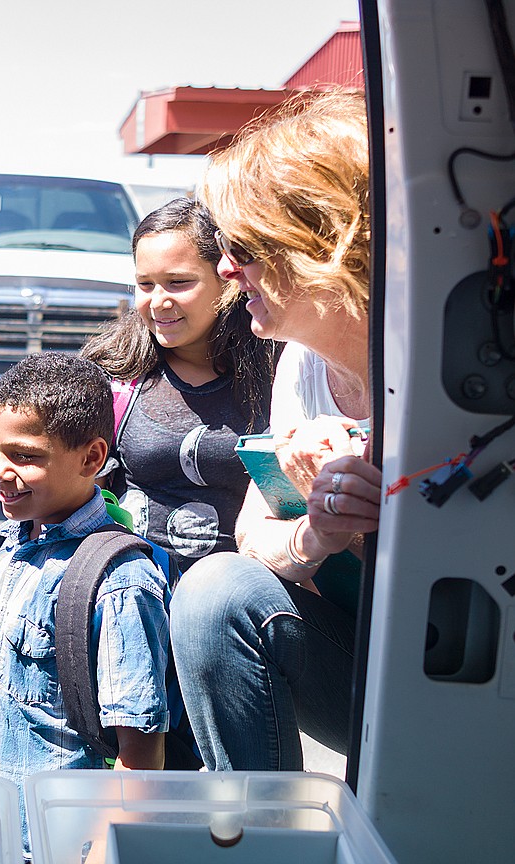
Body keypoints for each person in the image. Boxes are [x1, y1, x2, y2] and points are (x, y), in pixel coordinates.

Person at [169, 89, 380, 771]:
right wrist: (321, 529)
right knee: (214, 590)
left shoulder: (463, 377)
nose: (226, 268)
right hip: (370, 667)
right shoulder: (304, 366)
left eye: (246, 246)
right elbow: (253, 539)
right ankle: (265, 839)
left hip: (470, 671)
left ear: (327, 240)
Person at [0, 351, 173, 859]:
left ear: (90, 458)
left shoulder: (120, 579)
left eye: (25, 457)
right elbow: (35, 667)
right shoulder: (13, 541)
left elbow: (141, 752)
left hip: (60, 845)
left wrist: (102, 849)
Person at [80, 197, 278, 575]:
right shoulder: (114, 373)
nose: (158, 302)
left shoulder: (280, 370)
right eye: (145, 284)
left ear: (227, 278)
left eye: (178, 283)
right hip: (132, 594)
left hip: (236, 601)